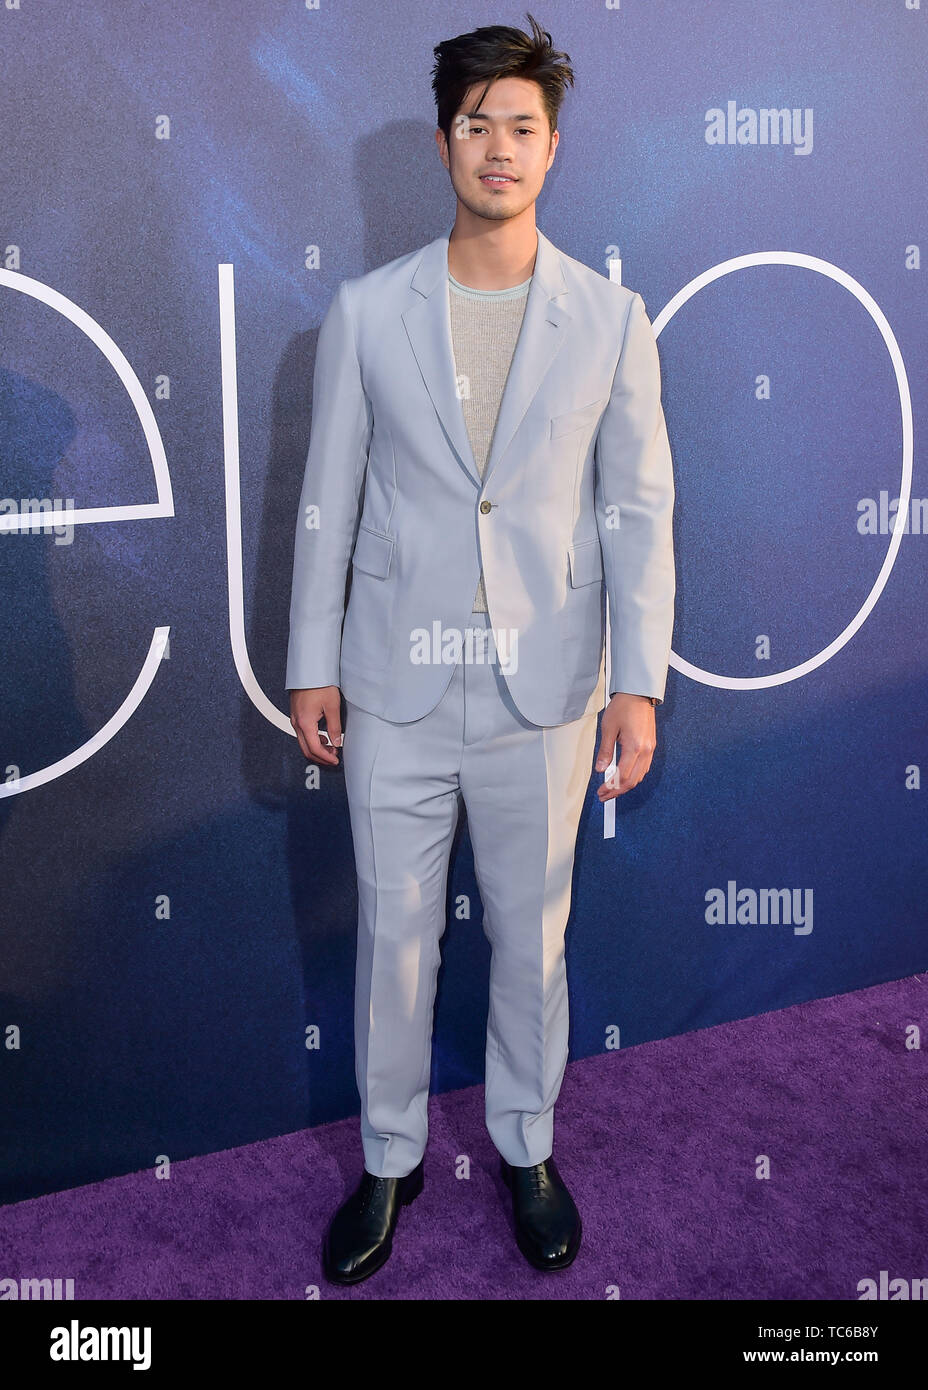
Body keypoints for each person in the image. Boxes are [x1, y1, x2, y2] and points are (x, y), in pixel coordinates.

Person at [286, 11, 676, 1285]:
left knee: (533, 932)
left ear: (553, 148)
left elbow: (636, 508)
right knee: (395, 937)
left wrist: (636, 680)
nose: (497, 147)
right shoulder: (365, 311)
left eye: (521, 126)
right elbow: (327, 500)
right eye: (475, 124)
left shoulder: (611, 318)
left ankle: (526, 1144)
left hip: (547, 685)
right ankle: (388, 1159)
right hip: (393, 681)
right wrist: (309, 661)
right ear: (445, 142)